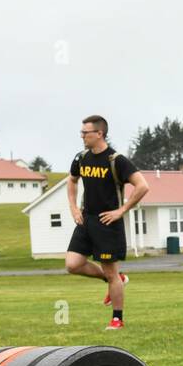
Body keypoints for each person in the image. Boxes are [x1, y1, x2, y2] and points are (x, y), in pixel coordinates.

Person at [65, 115, 150, 330]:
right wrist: (74, 208)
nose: (82, 136)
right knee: (72, 264)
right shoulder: (81, 158)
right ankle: (116, 279)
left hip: (107, 222)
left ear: (100, 133)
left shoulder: (116, 160)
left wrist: (121, 211)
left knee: (111, 273)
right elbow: (72, 181)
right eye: (81, 132)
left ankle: (117, 319)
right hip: (86, 219)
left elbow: (142, 186)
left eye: (86, 132)